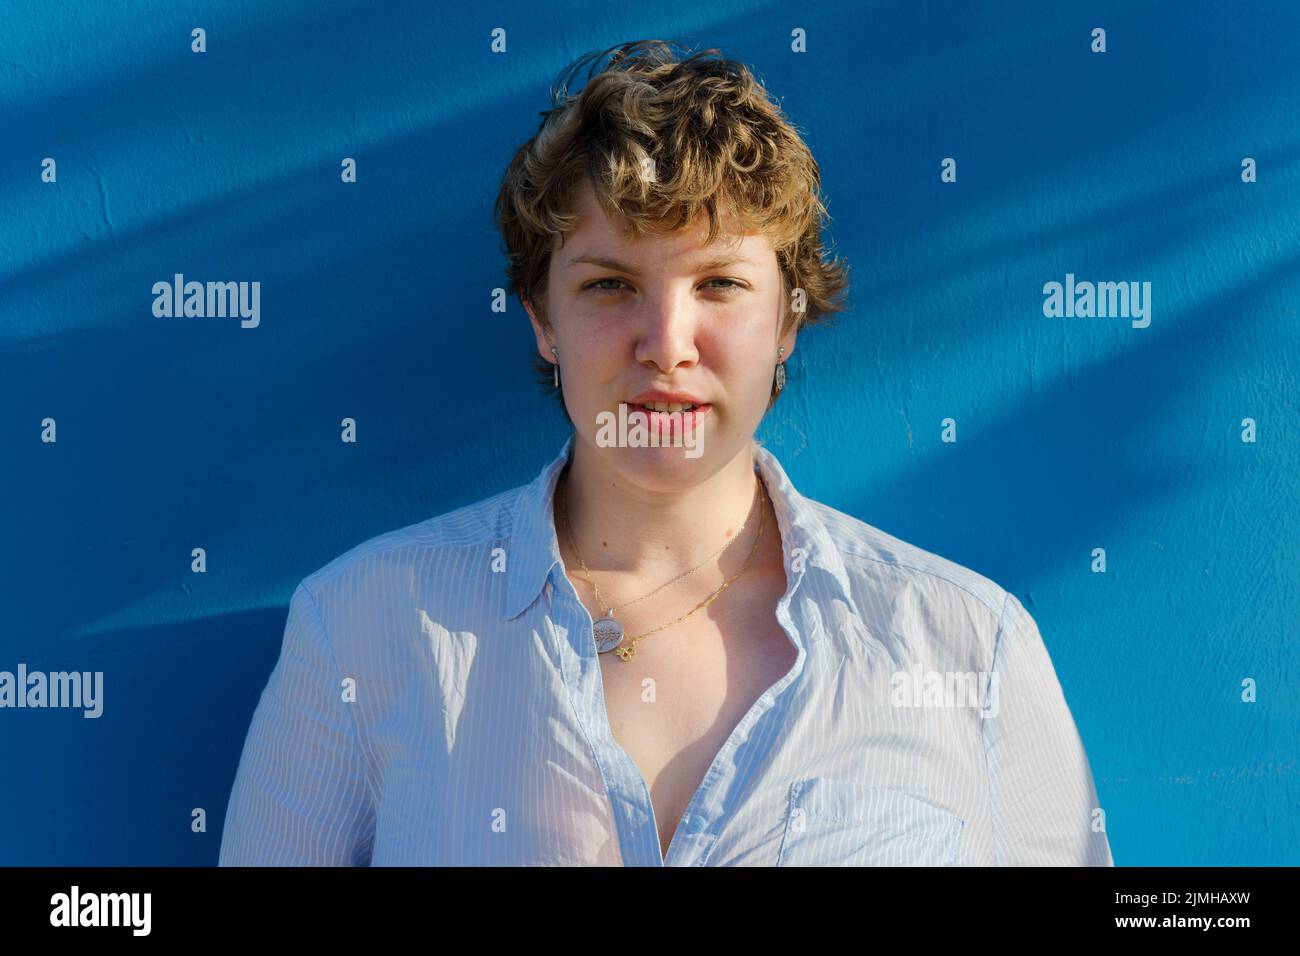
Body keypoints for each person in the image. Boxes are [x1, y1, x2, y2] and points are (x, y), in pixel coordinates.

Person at [219, 40, 1112, 867]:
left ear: (787, 320)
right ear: (541, 320)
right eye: (610, 285)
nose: (666, 342)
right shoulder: (362, 627)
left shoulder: (967, 643)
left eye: (719, 283)